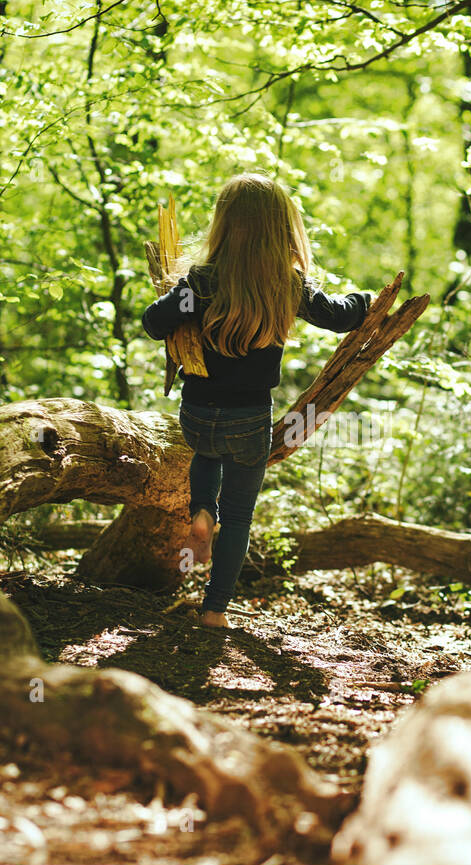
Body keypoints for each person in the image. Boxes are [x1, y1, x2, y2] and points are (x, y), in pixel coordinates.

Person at [142, 173, 372, 628]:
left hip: (197, 413)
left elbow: (153, 322)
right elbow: (339, 317)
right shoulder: (286, 284)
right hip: (250, 420)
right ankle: (215, 610)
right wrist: (364, 299)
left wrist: (176, 305)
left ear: (224, 224)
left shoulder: (201, 282)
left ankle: (201, 511)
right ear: (281, 228)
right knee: (241, 517)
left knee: (206, 454)